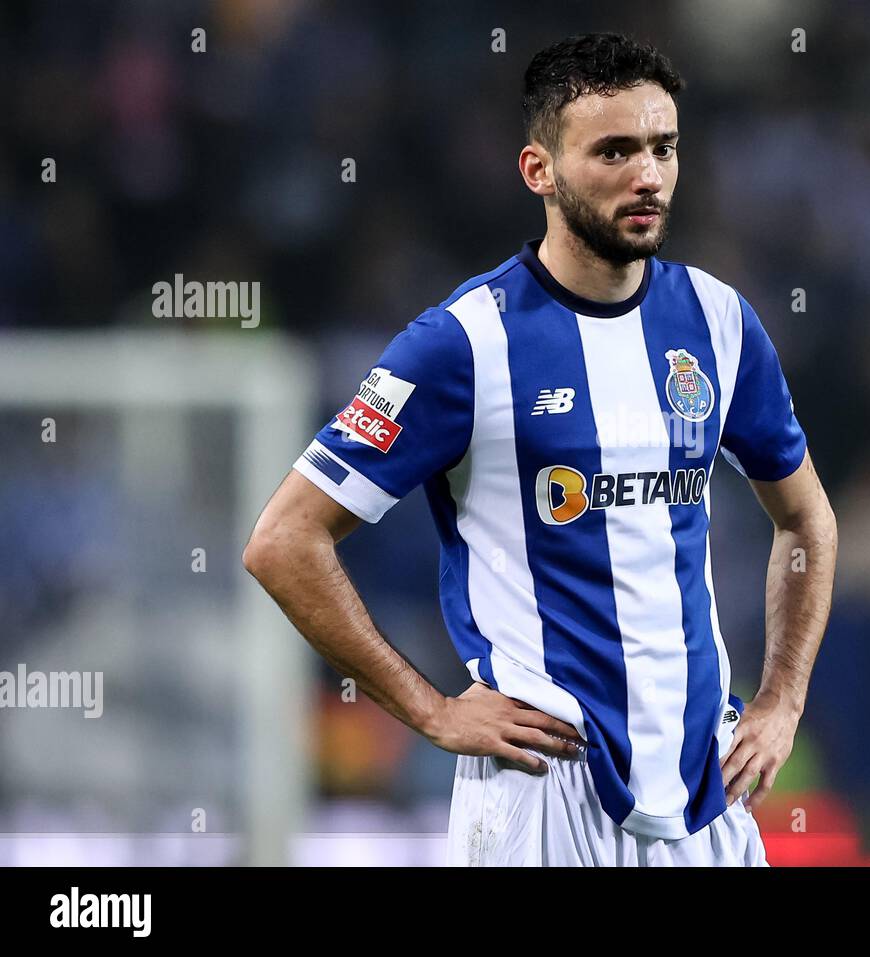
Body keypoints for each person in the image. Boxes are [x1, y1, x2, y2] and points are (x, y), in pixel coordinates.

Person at [243, 32, 837, 866]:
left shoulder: (718, 321)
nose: (649, 176)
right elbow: (282, 541)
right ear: (540, 172)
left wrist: (781, 700)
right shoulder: (462, 343)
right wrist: (431, 709)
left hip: (710, 789)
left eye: (664, 148)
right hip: (542, 790)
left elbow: (806, 517)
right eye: (615, 151)